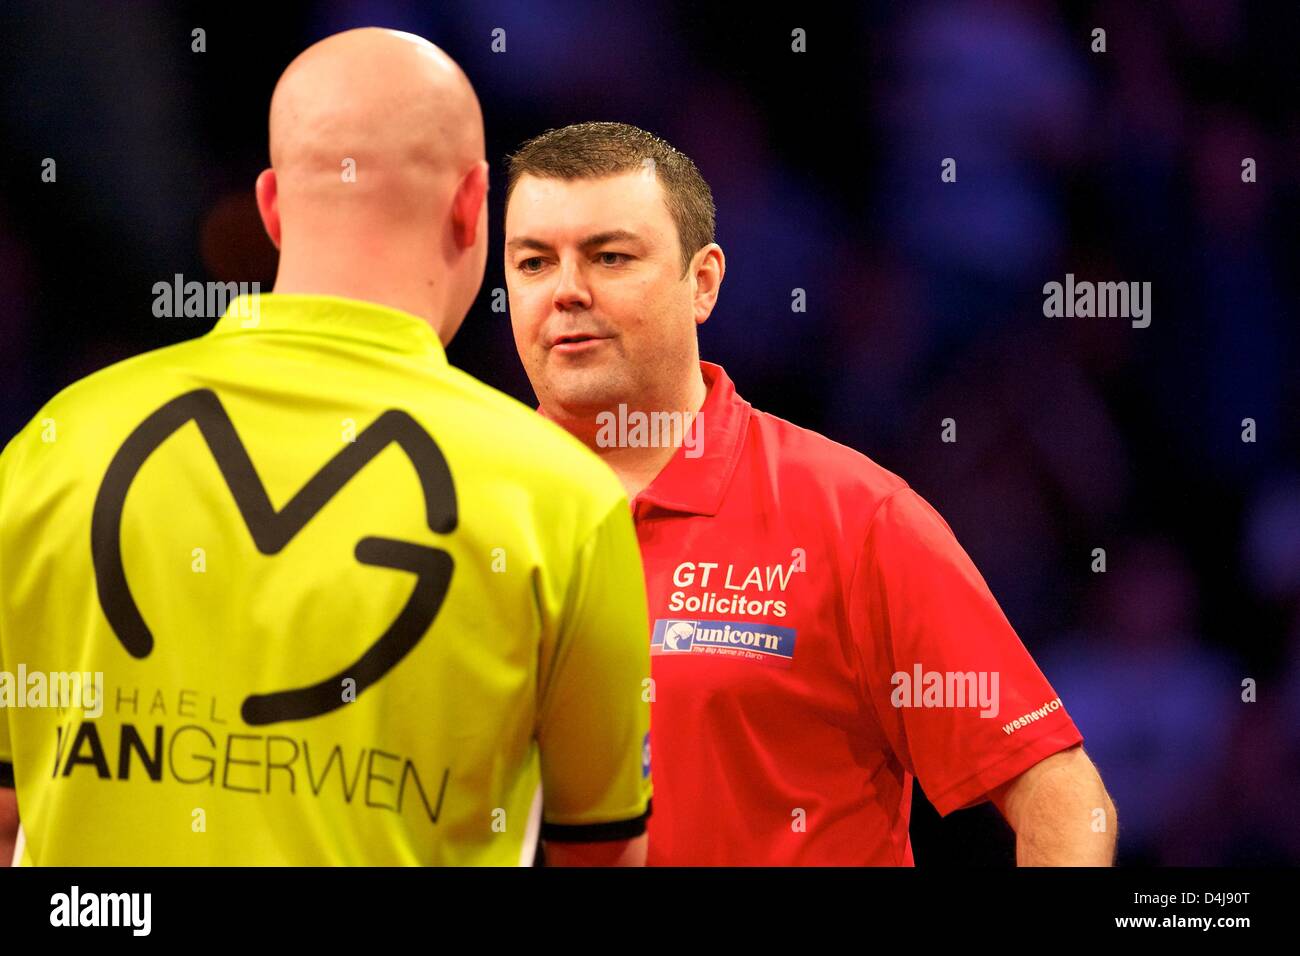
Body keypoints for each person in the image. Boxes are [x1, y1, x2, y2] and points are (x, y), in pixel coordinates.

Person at [0, 31, 651, 867]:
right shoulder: (562, 499)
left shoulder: (55, 444)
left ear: (271, 207)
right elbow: (599, 854)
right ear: (472, 202)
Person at [503, 121, 1116, 865]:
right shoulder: (456, 516)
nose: (567, 291)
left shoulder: (853, 517)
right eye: (534, 262)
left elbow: (1057, 788)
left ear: (702, 283)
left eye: (609, 256)